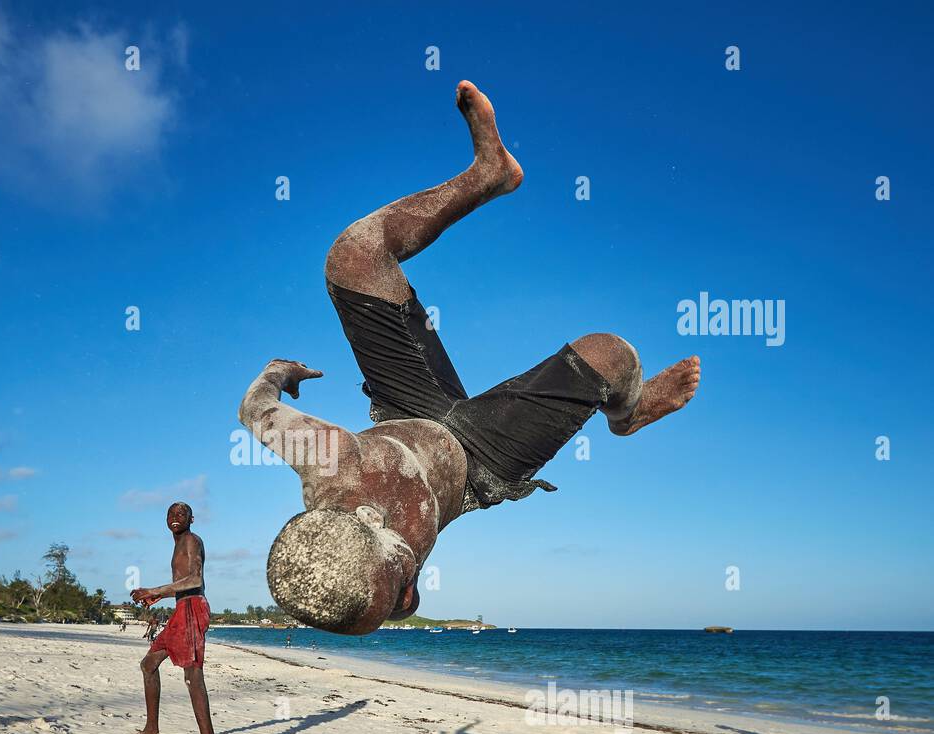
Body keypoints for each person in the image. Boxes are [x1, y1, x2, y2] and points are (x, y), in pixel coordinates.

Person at [239, 80, 700, 636]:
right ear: (403, 579)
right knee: (610, 354)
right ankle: (629, 415)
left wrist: (277, 371)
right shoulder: (391, 578)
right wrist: (392, 583)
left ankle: (488, 173)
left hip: (404, 408)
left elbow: (254, 411)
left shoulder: (328, 462)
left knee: (353, 257)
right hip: (481, 464)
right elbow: (398, 602)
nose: (375, 514)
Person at [124, 502, 219, 734]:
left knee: (193, 675)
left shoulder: (191, 540)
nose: (175, 517)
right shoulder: (178, 544)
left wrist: (155, 590)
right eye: (171, 514)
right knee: (148, 664)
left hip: (192, 610)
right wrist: (162, 598)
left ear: (191, 519)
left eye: (181, 514)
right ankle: (151, 731)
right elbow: (183, 584)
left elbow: (195, 580)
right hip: (181, 610)